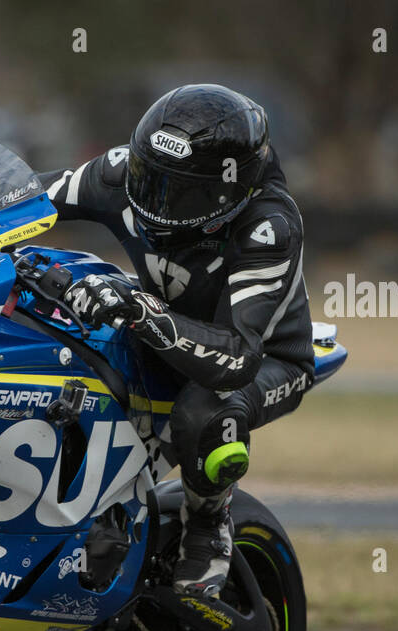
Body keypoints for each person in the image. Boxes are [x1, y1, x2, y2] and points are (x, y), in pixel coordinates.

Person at [39, 84, 314, 599]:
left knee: (205, 412)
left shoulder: (268, 227)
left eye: (181, 191)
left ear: (230, 193)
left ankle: (208, 522)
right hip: (159, 331)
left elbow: (237, 355)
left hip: (264, 360)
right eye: (150, 178)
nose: (154, 200)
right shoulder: (122, 174)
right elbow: (22, 198)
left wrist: (142, 311)